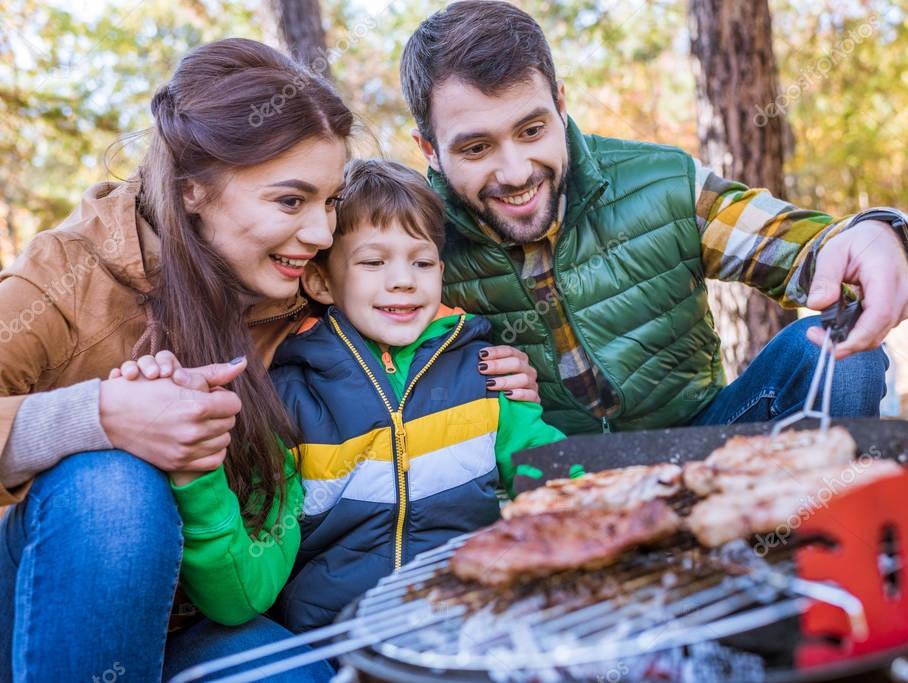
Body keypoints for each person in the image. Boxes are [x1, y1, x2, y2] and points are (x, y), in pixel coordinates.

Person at [0, 38, 537, 681]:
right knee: (116, 486)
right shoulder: (63, 280)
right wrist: (99, 415)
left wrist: (486, 370)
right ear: (194, 189)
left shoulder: (311, 275)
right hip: (52, 602)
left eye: (331, 201)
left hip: (198, 618)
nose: (319, 233)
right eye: (290, 201)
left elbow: (414, 303)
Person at [399, 1, 908, 435]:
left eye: (532, 130)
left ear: (560, 105)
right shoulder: (410, 239)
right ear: (428, 148)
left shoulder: (662, 183)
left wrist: (882, 238)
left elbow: (808, 250)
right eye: (475, 148)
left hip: (701, 449)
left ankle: (821, 548)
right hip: (541, 484)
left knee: (835, 352)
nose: (515, 173)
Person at [268, 159, 565, 633]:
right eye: (373, 261)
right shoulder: (292, 395)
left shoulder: (484, 373)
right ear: (321, 281)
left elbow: (551, 472)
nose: (404, 279)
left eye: (421, 262)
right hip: (336, 631)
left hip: (475, 616)